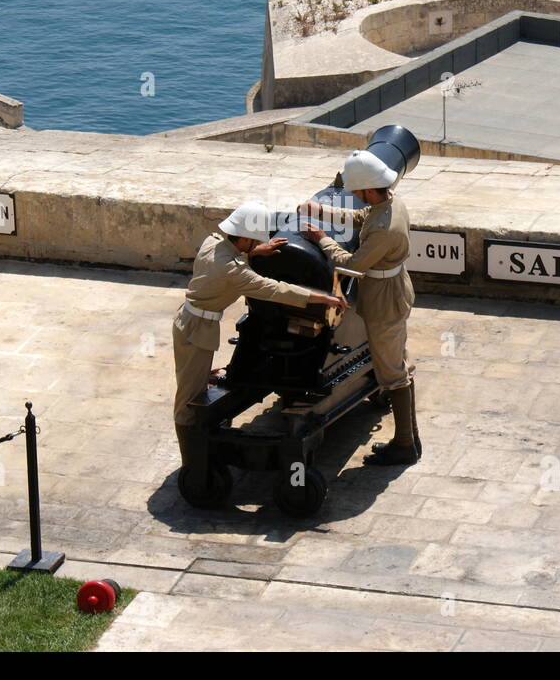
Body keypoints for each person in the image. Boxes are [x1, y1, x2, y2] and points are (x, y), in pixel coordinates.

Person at [173, 201, 346, 434]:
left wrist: (253, 252)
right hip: (198, 329)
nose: (259, 243)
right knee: (189, 398)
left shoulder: (212, 242)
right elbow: (274, 289)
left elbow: (229, 260)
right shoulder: (234, 270)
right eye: (256, 240)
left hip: (189, 321)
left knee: (195, 380)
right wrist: (324, 298)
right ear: (245, 239)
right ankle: (193, 464)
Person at [298, 149, 419, 465]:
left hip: (384, 298)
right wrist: (321, 211)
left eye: (355, 190)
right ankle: (411, 438)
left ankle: (405, 445)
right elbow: (360, 217)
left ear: (366, 188)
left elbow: (352, 265)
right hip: (391, 289)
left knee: (393, 371)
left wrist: (321, 238)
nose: (352, 194)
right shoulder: (388, 204)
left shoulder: (384, 228)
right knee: (396, 362)